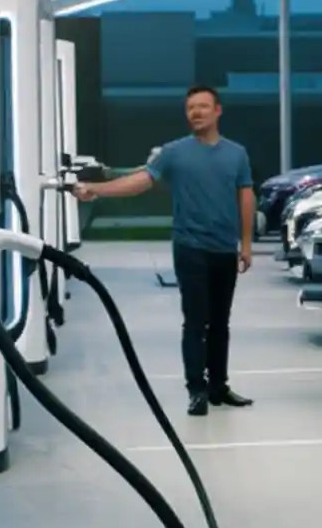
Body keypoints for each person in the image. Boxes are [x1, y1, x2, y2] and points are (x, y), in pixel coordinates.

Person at [73, 85, 256, 416]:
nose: (196, 113)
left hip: (224, 250)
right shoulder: (173, 152)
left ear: (218, 111)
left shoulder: (237, 154)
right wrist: (97, 190)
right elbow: (140, 180)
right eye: (190, 108)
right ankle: (196, 390)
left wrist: (246, 244)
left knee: (220, 322)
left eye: (202, 106)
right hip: (191, 248)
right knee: (195, 321)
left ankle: (219, 386)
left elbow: (245, 195)